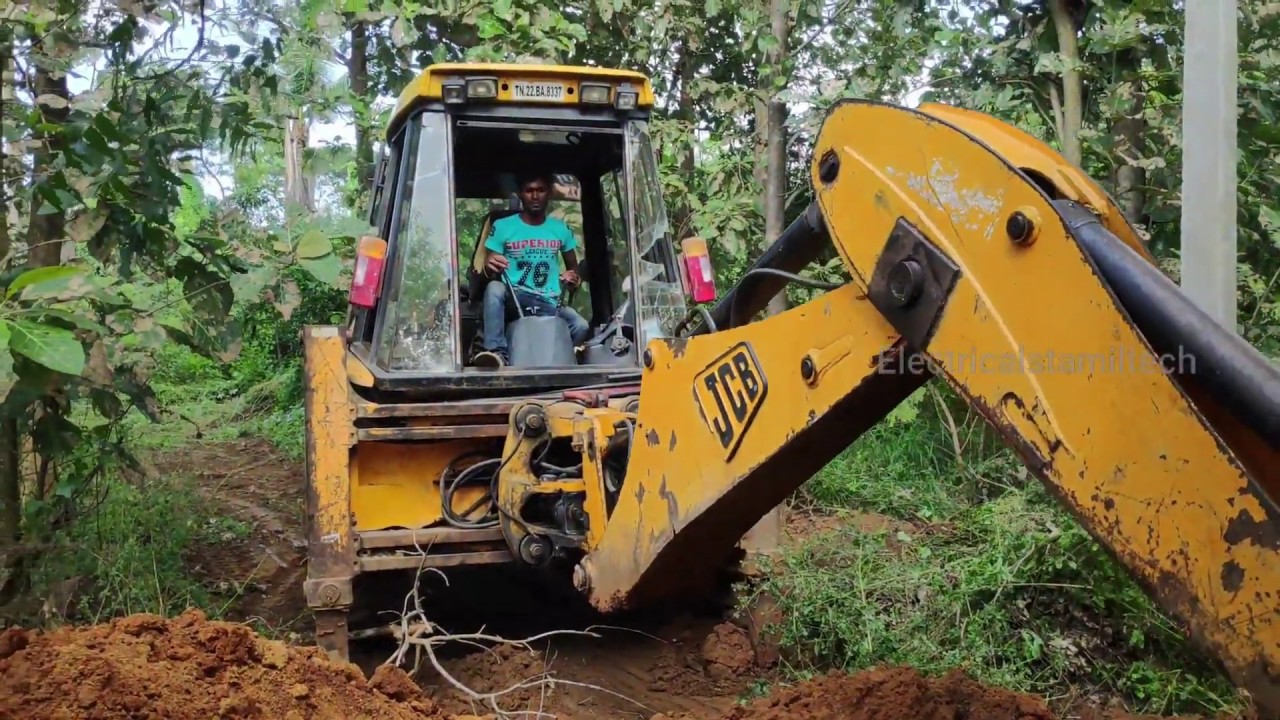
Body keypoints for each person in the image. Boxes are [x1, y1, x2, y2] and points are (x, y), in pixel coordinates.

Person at [473, 172, 591, 368]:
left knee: (580, 325)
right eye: (529, 191)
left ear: (549, 193)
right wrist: (490, 263)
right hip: (515, 297)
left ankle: (559, 360)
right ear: (520, 194)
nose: (535, 196)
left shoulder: (561, 229)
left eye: (540, 190)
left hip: (549, 301)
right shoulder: (502, 226)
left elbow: (574, 271)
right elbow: (489, 264)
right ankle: (496, 354)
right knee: (495, 288)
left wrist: (572, 278)